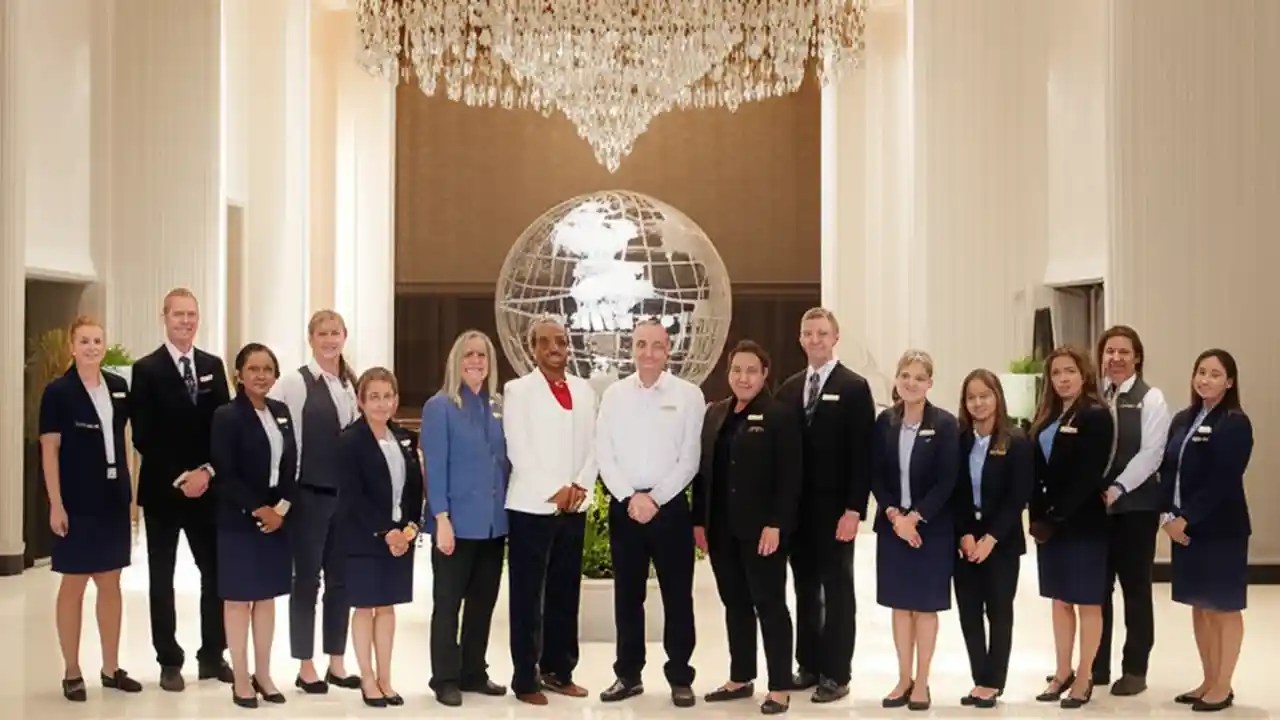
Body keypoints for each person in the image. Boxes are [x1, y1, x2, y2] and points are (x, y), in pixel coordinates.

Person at [596, 319, 704, 708]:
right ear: (632, 348)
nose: (648, 353)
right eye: (641, 344)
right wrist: (630, 498)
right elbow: (604, 454)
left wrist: (655, 498)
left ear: (668, 350)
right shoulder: (613, 396)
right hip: (625, 508)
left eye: (657, 346)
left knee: (678, 596)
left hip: (670, 507)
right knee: (628, 595)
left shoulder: (689, 395)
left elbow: (690, 458)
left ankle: (680, 675)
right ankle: (628, 674)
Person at [129, 288, 232, 690]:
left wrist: (205, 472)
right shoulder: (147, 369)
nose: (185, 321)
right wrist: (180, 477)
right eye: (178, 315)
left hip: (208, 490)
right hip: (163, 492)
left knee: (215, 573)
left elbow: (224, 425)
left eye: (192, 314)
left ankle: (212, 655)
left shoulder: (212, 365)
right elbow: (144, 436)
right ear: (164, 317)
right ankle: (169, 660)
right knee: (162, 576)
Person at [692, 340, 801, 716]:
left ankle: (780, 686)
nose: (743, 377)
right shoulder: (716, 413)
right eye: (737, 370)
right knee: (734, 604)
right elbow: (704, 472)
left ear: (764, 374)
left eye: (751, 370)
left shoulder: (781, 416)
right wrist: (699, 522)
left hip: (762, 533)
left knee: (770, 606)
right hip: (721, 531)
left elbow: (791, 478)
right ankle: (740, 677)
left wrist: (777, 524)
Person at [40, 316, 144, 702]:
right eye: (84, 341)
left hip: (112, 497)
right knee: (73, 583)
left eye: (97, 341)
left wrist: (131, 502)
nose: (92, 347)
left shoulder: (117, 388)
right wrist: (56, 504)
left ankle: (111, 667)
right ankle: (71, 669)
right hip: (76, 500)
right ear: (72, 346)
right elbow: (49, 449)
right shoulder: (59, 392)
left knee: (111, 583)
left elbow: (126, 441)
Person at [776, 307, 874, 703]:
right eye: (808, 333)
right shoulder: (789, 387)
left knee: (837, 591)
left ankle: (836, 672)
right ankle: (809, 664)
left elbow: (862, 454)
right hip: (798, 514)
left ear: (835, 338)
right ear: (800, 339)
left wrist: (854, 509)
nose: (815, 340)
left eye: (822, 333)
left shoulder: (854, 387)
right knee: (803, 589)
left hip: (837, 513)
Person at [502, 316, 598, 705]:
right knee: (527, 596)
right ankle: (526, 678)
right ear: (533, 349)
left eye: (560, 340)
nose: (555, 348)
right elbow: (518, 447)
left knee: (565, 592)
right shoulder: (518, 390)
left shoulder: (585, 390)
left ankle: (560, 670)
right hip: (531, 506)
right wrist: (552, 490)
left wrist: (580, 486)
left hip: (574, 506)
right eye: (545, 342)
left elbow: (595, 443)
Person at [269, 309, 361, 692]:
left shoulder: (351, 384)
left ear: (344, 336)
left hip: (345, 499)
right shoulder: (295, 382)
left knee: (342, 580)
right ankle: (305, 664)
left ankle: (336, 662)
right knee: (307, 580)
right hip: (309, 495)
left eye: (335, 333)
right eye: (322, 333)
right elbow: (276, 433)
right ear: (311, 339)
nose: (329, 340)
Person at [1160, 349, 1252, 712]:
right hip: (1183, 527)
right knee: (1200, 607)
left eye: (1215, 374)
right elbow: (1168, 470)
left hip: (1220, 530)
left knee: (1223, 607)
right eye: (1201, 372)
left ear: (1229, 381)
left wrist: (1189, 517)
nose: (1206, 380)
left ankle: (1224, 685)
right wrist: (1167, 516)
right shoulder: (1183, 418)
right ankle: (1208, 679)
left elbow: (1223, 480)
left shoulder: (1235, 422)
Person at [421, 331, 511, 706]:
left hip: (493, 524)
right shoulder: (440, 406)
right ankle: (444, 676)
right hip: (455, 523)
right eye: (469, 355)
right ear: (456, 361)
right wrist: (441, 517)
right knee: (448, 603)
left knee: (482, 602)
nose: (476, 361)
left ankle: (474, 671)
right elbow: (435, 467)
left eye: (483, 355)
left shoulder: (498, 405)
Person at [209, 343, 297, 708]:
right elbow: (224, 472)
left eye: (268, 369)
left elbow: (292, 464)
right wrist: (259, 509)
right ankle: (241, 677)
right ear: (239, 376)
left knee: (265, 598)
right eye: (254, 369)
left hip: (276, 520)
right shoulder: (227, 415)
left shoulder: (281, 411)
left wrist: (282, 509)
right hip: (239, 520)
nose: (261, 375)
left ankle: (263, 673)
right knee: (238, 600)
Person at [869, 349, 958, 712]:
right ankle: (903, 678)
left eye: (919, 378)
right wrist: (894, 516)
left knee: (924, 608)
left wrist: (915, 518)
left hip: (931, 529)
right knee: (900, 607)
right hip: (893, 528)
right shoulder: (885, 422)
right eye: (905, 375)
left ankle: (922, 681)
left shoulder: (945, 424)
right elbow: (875, 473)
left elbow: (947, 479)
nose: (911, 383)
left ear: (930, 383)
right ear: (897, 379)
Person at [1028, 346, 1114, 709]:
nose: (1063, 379)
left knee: (1088, 601)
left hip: (1081, 522)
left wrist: (1058, 514)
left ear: (1084, 375)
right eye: (1057, 373)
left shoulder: (1095, 415)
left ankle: (1084, 675)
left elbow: (1088, 475)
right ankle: (1062, 671)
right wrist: (1038, 516)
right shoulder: (1047, 415)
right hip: (1050, 524)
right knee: (1060, 600)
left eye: (1070, 372)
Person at [340, 367, 424, 708]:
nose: (381, 403)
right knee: (364, 606)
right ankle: (367, 677)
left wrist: (409, 527)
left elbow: (415, 489)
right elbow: (351, 495)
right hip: (364, 536)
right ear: (361, 401)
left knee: (387, 607)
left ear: (396, 400)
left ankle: (386, 677)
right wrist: (384, 531)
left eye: (387, 396)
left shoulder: (404, 438)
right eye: (373, 397)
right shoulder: (350, 440)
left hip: (399, 540)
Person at [1094, 326, 1172, 696]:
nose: (1116, 358)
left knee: (1135, 589)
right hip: (1099, 511)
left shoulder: (1151, 398)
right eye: (1110, 351)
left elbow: (1152, 453)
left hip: (1135, 508)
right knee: (1096, 589)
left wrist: (1119, 487)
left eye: (1124, 352)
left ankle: (1135, 669)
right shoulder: (1096, 396)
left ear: (1137, 357)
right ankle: (1097, 668)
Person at [952, 370, 1033, 708]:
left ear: (997, 397)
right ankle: (979, 678)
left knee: (998, 612)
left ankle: (993, 681)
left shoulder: (1015, 441)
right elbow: (954, 492)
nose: (978, 403)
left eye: (985, 395)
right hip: (965, 544)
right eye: (972, 397)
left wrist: (991, 538)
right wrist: (966, 534)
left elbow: (1018, 496)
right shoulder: (960, 441)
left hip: (1001, 545)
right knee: (969, 612)